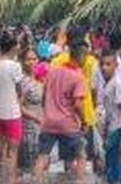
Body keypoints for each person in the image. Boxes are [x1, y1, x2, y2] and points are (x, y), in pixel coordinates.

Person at [35, 41, 87, 176]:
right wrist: (84, 121)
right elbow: (78, 104)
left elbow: (44, 97)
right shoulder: (78, 77)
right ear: (82, 57)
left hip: (48, 123)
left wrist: (47, 113)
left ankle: (36, 183)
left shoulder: (52, 71)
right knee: (81, 155)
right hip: (68, 124)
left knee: (42, 156)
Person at [51, 30, 101, 165]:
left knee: (68, 159)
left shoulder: (57, 61)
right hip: (86, 113)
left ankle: (68, 177)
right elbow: (94, 89)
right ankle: (81, 178)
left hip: (63, 115)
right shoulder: (91, 61)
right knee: (85, 158)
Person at [0, 33, 25, 174]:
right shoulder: (15, 66)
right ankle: (11, 182)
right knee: (13, 152)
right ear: (12, 48)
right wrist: (21, 100)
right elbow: (19, 89)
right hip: (12, 113)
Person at [97, 51, 121, 184]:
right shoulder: (107, 84)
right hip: (113, 130)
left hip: (119, 130)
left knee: (115, 172)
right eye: (102, 64)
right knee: (116, 170)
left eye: (108, 64)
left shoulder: (117, 84)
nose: (104, 68)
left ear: (116, 66)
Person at [18, 49, 45, 170]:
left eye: (34, 59)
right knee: (29, 166)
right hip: (28, 128)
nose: (32, 62)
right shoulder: (23, 81)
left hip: (41, 126)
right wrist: (35, 117)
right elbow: (19, 106)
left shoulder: (39, 80)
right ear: (23, 61)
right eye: (28, 59)